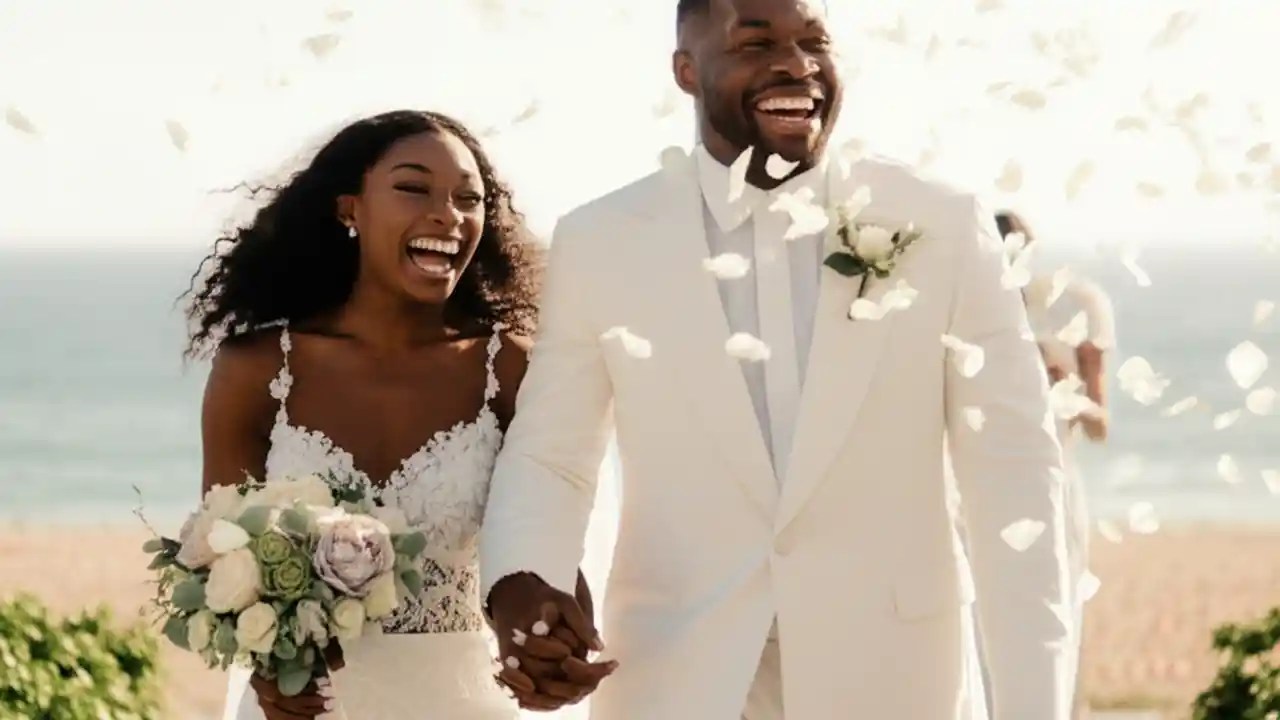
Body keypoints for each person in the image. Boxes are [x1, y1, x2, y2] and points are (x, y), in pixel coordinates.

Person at [478, 1, 1075, 718]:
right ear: (686, 69)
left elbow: (1012, 474)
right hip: (676, 677)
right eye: (756, 41)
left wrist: (1034, 705)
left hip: (894, 681)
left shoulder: (940, 224)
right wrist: (521, 582)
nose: (796, 64)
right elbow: (553, 457)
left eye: (815, 40)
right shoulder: (602, 240)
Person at [185, 110, 608, 719]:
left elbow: (543, 556)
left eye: (469, 198)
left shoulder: (509, 369)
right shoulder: (256, 368)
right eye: (413, 188)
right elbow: (220, 552)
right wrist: (270, 666)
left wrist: (550, 650)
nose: (448, 214)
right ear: (349, 209)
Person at [997, 209, 1115, 719]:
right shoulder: (968, 315)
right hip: (984, 492)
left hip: (1054, 485)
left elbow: (1100, 424)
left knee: (1058, 613)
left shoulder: (1076, 306)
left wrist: (1060, 389)